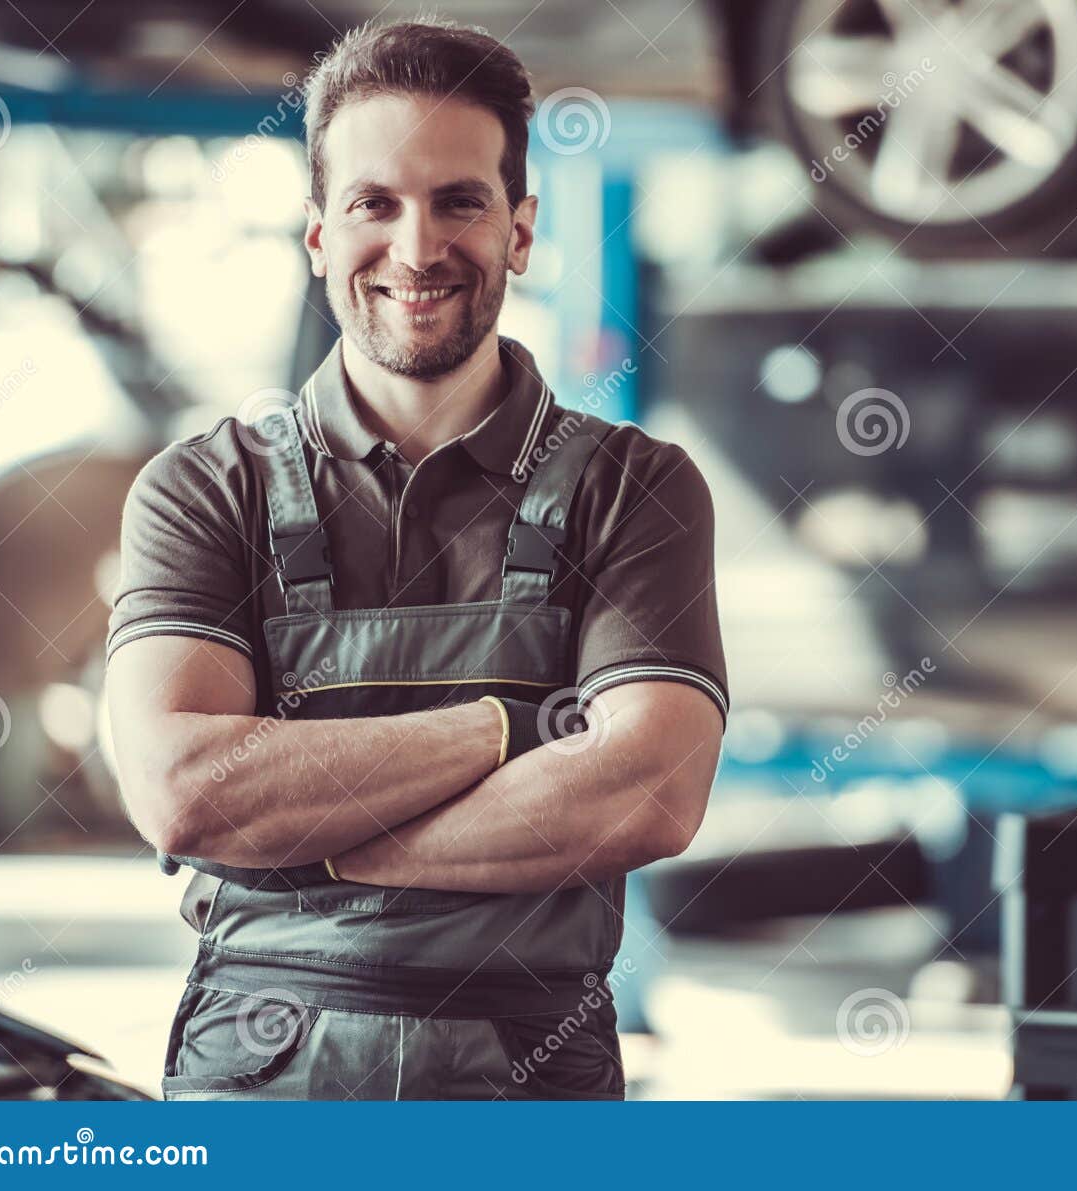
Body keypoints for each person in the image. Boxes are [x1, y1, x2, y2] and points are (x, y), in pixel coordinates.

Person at [104, 18, 727, 1100]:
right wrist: (515, 728)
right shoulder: (207, 490)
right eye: (373, 203)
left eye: (460, 202)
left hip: (530, 1066)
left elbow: (648, 793)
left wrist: (309, 847)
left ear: (521, 230)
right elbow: (186, 794)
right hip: (261, 1063)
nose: (417, 247)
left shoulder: (632, 485)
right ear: (315, 235)